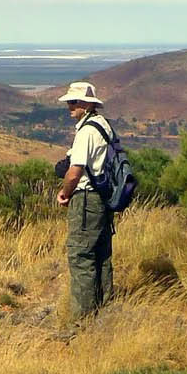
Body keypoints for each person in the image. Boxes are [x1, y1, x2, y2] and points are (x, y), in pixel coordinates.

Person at [54, 81, 116, 318]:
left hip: (87, 199)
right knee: (101, 254)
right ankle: (106, 311)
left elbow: (75, 171)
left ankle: (82, 320)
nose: (70, 106)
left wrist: (65, 193)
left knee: (81, 256)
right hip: (103, 198)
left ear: (87, 104)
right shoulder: (103, 125)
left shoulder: (86, 131)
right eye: (69, 101)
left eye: (74, 102)